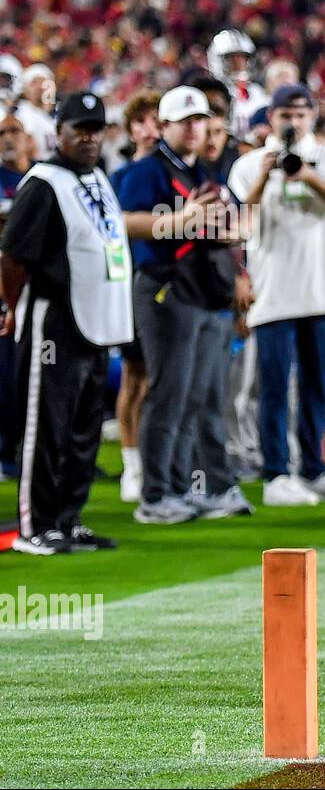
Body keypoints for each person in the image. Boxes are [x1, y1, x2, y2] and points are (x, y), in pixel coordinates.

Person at [0, 92, 132, 554]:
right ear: (60, 132)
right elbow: (13, 256)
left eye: (96, 130)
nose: (90, 138)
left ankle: (69, 518)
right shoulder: (43, 183)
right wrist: (12, 307)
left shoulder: (94, 175)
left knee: (82, 428)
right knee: (46, 425)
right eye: (80, 130)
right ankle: (35, 526)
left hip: (96, 320)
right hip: (53, 319)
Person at [116, 85, 252, 524]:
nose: (195, 128)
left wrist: (229, 230)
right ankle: (155, 495)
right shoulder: (148, 170)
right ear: (165, 125)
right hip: (164, 289)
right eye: (185, 121)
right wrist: (179, 221)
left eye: (200, 120)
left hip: (202, 292)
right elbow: (125, 222)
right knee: (169, 392)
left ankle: (190, 486)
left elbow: (214, 229)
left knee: (201, 395)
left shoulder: (199, 172)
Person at [227, 83, 325, 505]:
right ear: (272, 119)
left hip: (321, 288)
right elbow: (240, 221)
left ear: (312, 117)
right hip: (272, 291)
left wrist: (306, 175)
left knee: (314, 387)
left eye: (301, 114)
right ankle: (274, 475)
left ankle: (313, 469)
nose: (293, 122)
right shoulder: (250, 164)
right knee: (272, 387)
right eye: (285, 114)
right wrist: (267, 174)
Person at [108, 90, 162, 503]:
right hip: (132, 284)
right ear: (130, 129)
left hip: (167, 286)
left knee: (163, 380)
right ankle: (132, 464)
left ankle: (157, 461)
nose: (151, 128)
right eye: (142, 121)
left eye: (157, 119)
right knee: (135, 376)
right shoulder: (120, 177)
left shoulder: (172, 173)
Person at [0, 110, 32, 479]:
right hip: (5, 289)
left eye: (15, 131)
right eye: (2, 132)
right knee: (7, 376)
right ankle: (9, 452)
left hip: (38, 290)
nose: (9, 138)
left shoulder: (41, 175)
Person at [13, 65, 57, 160]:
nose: (40, 87)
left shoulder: (56, 114)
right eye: (34, 83)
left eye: (44, 82)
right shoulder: (22, 114)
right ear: (24, 89)